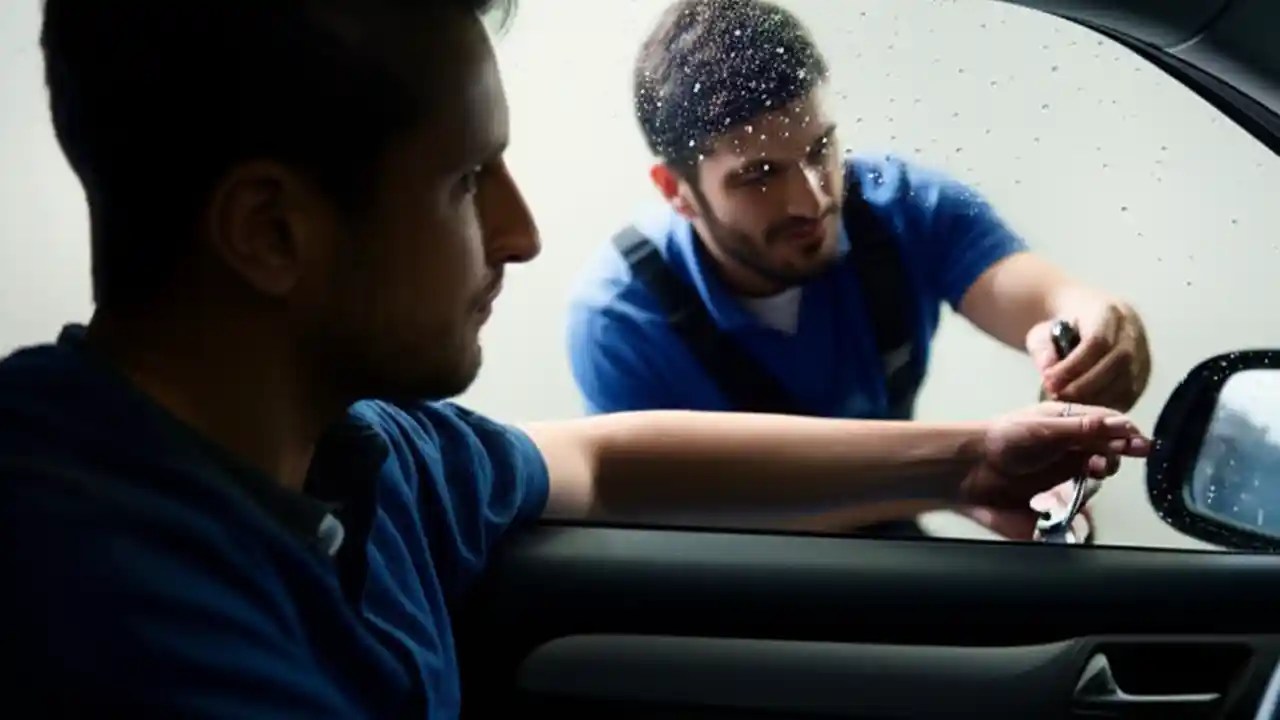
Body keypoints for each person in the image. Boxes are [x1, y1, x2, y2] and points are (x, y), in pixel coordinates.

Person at [0, 0, 1148, 716]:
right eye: (466, 182)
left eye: (821, 154)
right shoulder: (95, 604)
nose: (522, 233)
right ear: (269, 231)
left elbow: (601, 463)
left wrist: (964, 461)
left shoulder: (381, 457)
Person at [564, 0, 1153, 536]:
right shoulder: (617, 317)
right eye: (759, 175)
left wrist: (1101, 326)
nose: (812, 199)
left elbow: (1053, 301)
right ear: (678, 192)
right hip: (729, 596)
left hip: (898, 545)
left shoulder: (904, 204)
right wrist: (963, 474)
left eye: (820, 149)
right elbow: (666, 507)